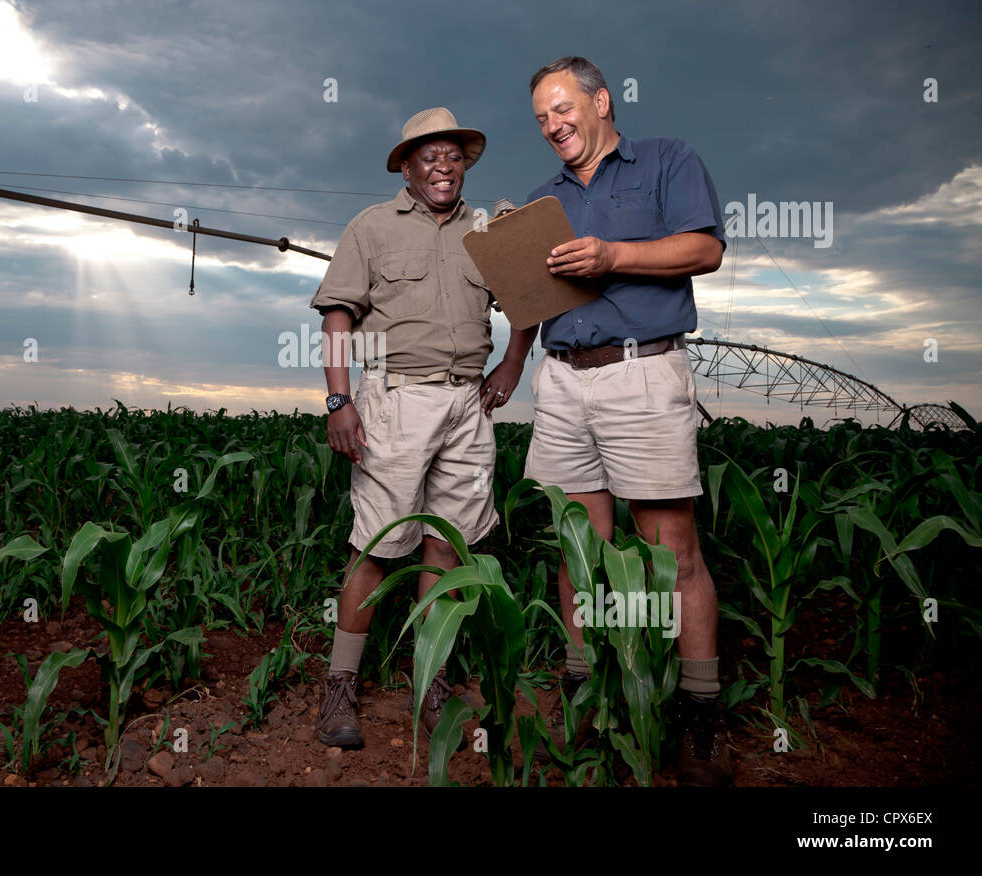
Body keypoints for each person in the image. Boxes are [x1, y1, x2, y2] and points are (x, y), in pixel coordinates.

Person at [502, 56, 733, 785]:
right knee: (579, 549)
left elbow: (706, 249)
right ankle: (583, 694)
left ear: (602, 101)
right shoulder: (542, 200)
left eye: (562, 109)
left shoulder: (668, 161)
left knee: (673, 554)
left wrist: (613, 255)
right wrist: (513, 356)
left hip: (643, 372)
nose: (552, 125)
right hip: (563, 381)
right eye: (540, 118)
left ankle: (699, 716)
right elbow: (530, 300)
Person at [309, 107, 522, 749]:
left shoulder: (487, 231)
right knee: (375, 545)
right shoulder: (371, 227)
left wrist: (512, 361)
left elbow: (530, 301)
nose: (443, 165)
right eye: (428, 156)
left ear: (464, 165)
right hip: (396, 401)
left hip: (468, 406)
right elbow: (339, 318)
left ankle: (430, 684)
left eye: (453, 155)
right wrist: (338, 401)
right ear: (406, 166)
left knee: (447, 548)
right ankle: (340, 689)